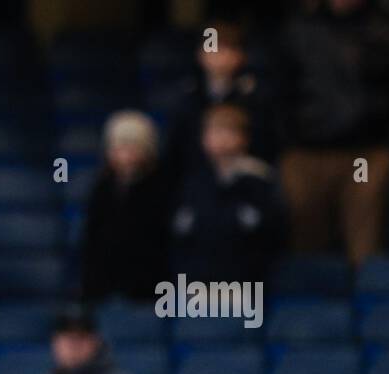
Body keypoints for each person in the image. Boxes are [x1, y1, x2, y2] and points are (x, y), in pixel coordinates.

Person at [278, 0, 389, 264]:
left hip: (365, 154)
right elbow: (279, 92)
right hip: (307, 152)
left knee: (363, 242)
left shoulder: (388, 30)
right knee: (306, 238)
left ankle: (364, 296)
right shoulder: (299, 29)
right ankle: (310, 303)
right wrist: (287, 142)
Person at [170, 103, 286, 285]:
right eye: (215, 132)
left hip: (246, 281)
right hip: (199, 280)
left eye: (229, 132)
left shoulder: (258, 179)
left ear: (244, 138)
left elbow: (268, 232)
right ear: (204, 139)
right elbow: (182, 232)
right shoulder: (194, 181)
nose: (222, 140)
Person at [160, 20, 276, 185]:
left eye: (226, 48)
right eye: (213, 48)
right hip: (194, 179)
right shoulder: (187, 97)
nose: (219, 55)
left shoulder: (255, 98)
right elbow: (177, 150)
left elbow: (265, 145)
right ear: (201, 54)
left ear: (240, 55)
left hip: (244, 179)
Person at [80, 111, 170, 302]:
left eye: (133, 147)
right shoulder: (102, 188)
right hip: (104, 288)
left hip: (148, 290)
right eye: (119, 147)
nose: (125, 155)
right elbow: (91, 239)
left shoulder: (162, 189)